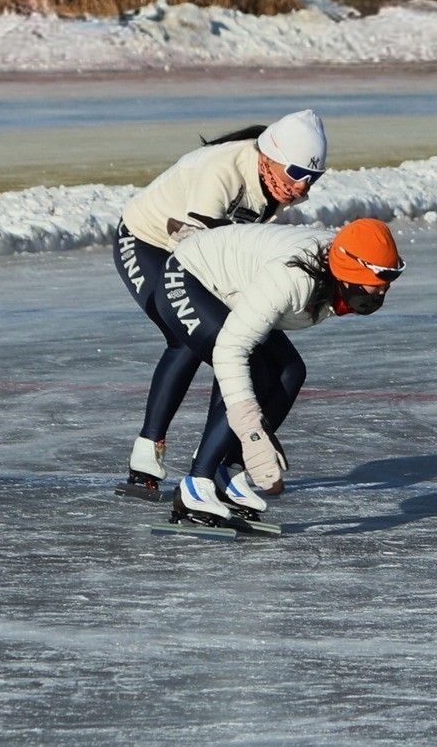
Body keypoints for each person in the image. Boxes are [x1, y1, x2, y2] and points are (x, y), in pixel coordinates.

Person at [111, 109, 328, 493]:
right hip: (148, 241)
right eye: (296, 174)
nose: (301, 187)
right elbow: (194, 251)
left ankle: (216, 459)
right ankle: (148, 449)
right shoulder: (221, 171)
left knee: (240, 347)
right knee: (191, 339)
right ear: (268, 156)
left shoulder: (275, 182)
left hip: (200, 254)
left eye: (312, 179)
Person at [154, 217, 405, 524]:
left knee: (290, 371)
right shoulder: (292, 279)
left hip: (232, 289)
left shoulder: (334, 270)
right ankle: (196, 484)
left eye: (390, 279)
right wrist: (252, 433)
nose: (383, 290)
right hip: (188, 278)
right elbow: (229, 351)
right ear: (352, 270)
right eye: (379, 279)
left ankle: (227, 471)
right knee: (256, 370)